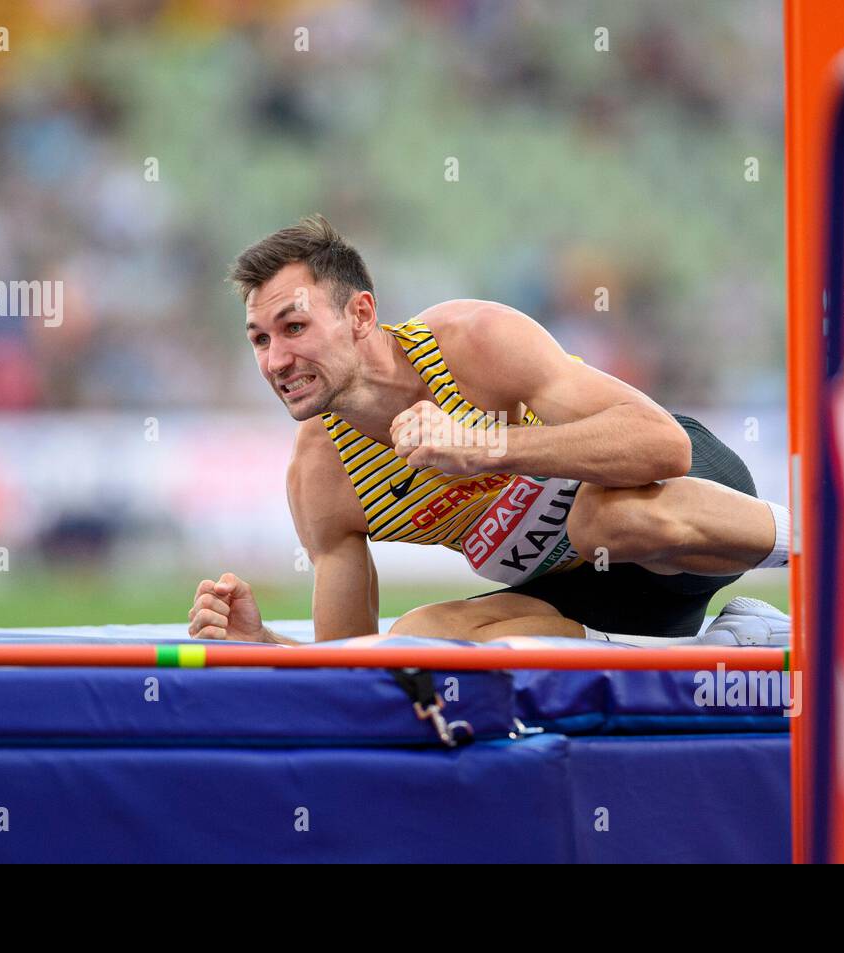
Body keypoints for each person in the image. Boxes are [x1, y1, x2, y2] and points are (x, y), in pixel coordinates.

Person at [188, 215, 789, 645]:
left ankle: (829, 548)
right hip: (601, 597)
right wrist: (263, 647)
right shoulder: (321, 477)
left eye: (294, 328)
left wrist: (486, 446)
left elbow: (663, 444)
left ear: (361, 315)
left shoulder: (472, 342)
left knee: (602, 519)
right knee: (417, 638)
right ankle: (727, 642)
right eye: (261, 339)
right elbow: (353, 665)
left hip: (685, 504)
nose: (275, 361)